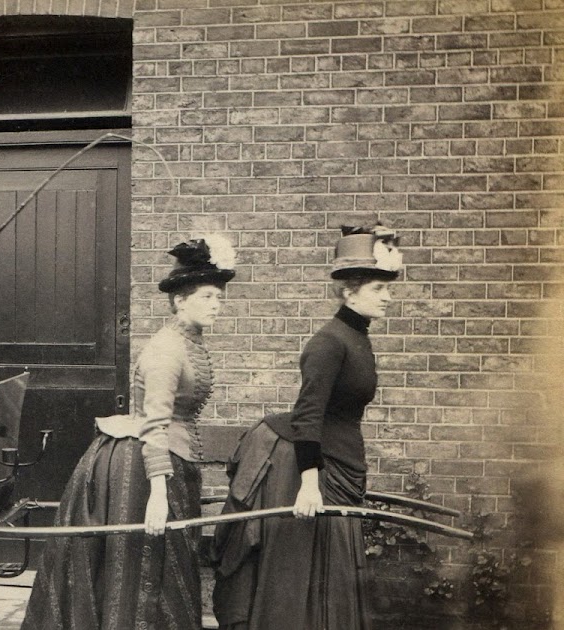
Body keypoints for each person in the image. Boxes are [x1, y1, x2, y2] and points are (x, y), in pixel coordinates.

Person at [21, 235, 237, 630]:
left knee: (159, 569)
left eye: (219, 298)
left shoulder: (188, 343)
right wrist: (157, 496)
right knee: (141, 573)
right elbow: (155, 424)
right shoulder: (167, 350)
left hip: (169, 462)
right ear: (180, 300)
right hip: (145, 471)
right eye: (207, 296)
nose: (216, 305)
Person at [210, 225, 403, 630]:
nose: (389, 296)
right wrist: (309, 483)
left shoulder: (356, 337)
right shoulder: (329, 342)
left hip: (343, 461)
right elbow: (307, 415)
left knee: (331, 577)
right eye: (378, 288)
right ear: (350, 291)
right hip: (320, 468)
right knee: (305, 578)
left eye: (389, 288)